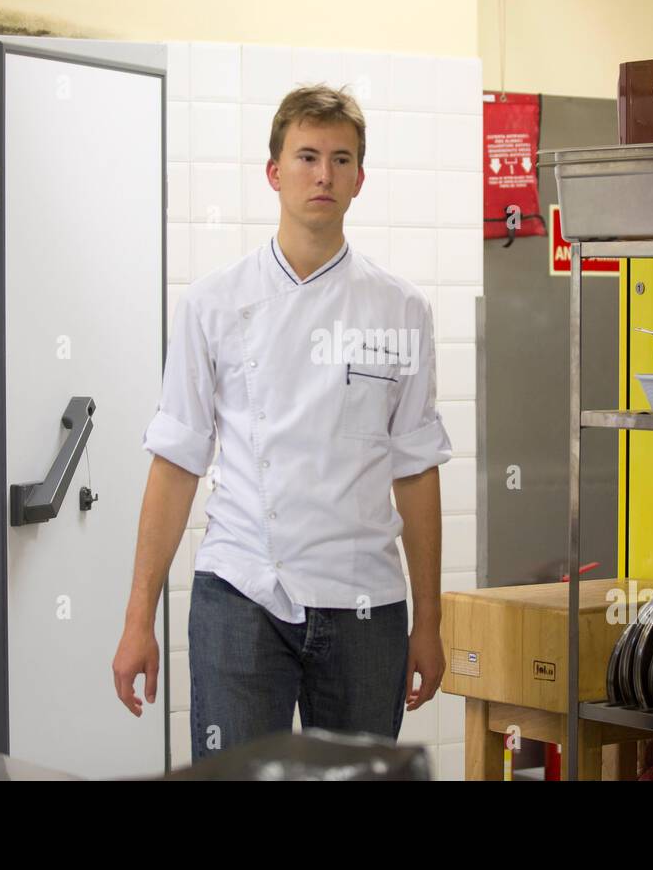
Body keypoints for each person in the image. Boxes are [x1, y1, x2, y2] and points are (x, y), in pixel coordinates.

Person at [113, 85, 451, 761]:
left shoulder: (400, 310)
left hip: (363, 602)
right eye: (306, 156)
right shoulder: (214, 303)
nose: (323, 174)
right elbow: (177, 463)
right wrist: (136, 619)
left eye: (340, 159)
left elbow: (415, 474)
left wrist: (429, 623)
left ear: (359, 179)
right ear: (274, 173)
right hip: (241, 592)